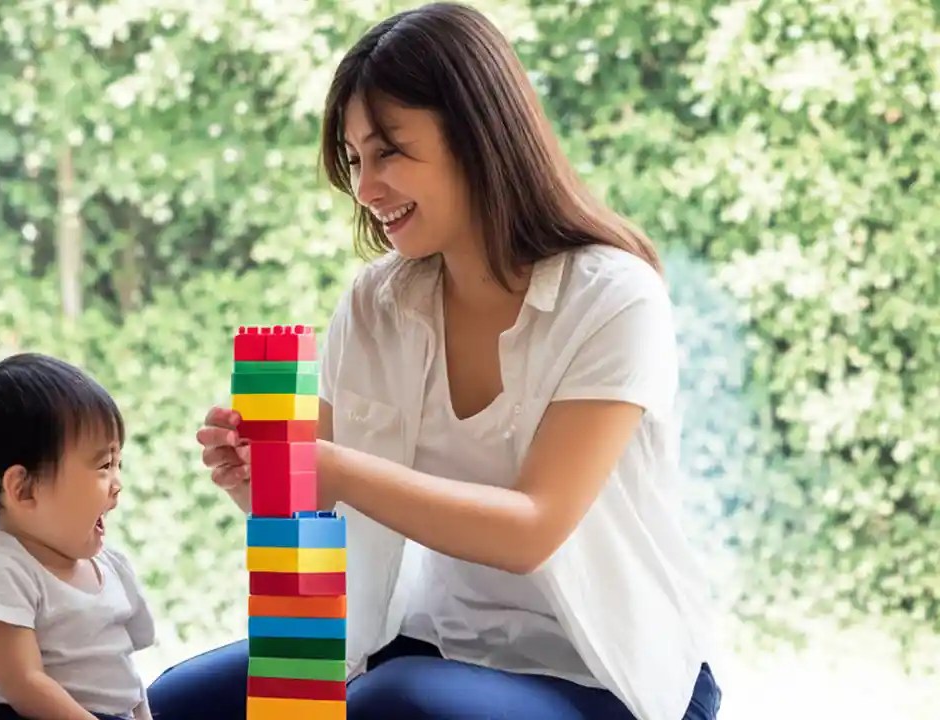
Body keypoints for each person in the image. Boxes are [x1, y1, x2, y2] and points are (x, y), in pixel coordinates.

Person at [148, 3, 722, 720]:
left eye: (388, 152)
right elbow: (317, 504)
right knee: (175, 704)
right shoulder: (376, 304)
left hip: (604, 675)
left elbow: (531, 529)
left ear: (478, 136)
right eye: (355, 160)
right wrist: (263, 481)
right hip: (444, 644)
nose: (365, 189)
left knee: (391, 705)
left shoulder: (612, 298)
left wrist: (331, 465)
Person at [0, 353, 156, 720]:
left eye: (118, 463)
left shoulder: (112, 567)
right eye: (104, 465)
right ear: (24, 489)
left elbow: (127, 679)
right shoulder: (1, 567)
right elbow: (26, 685)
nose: (118, 483)